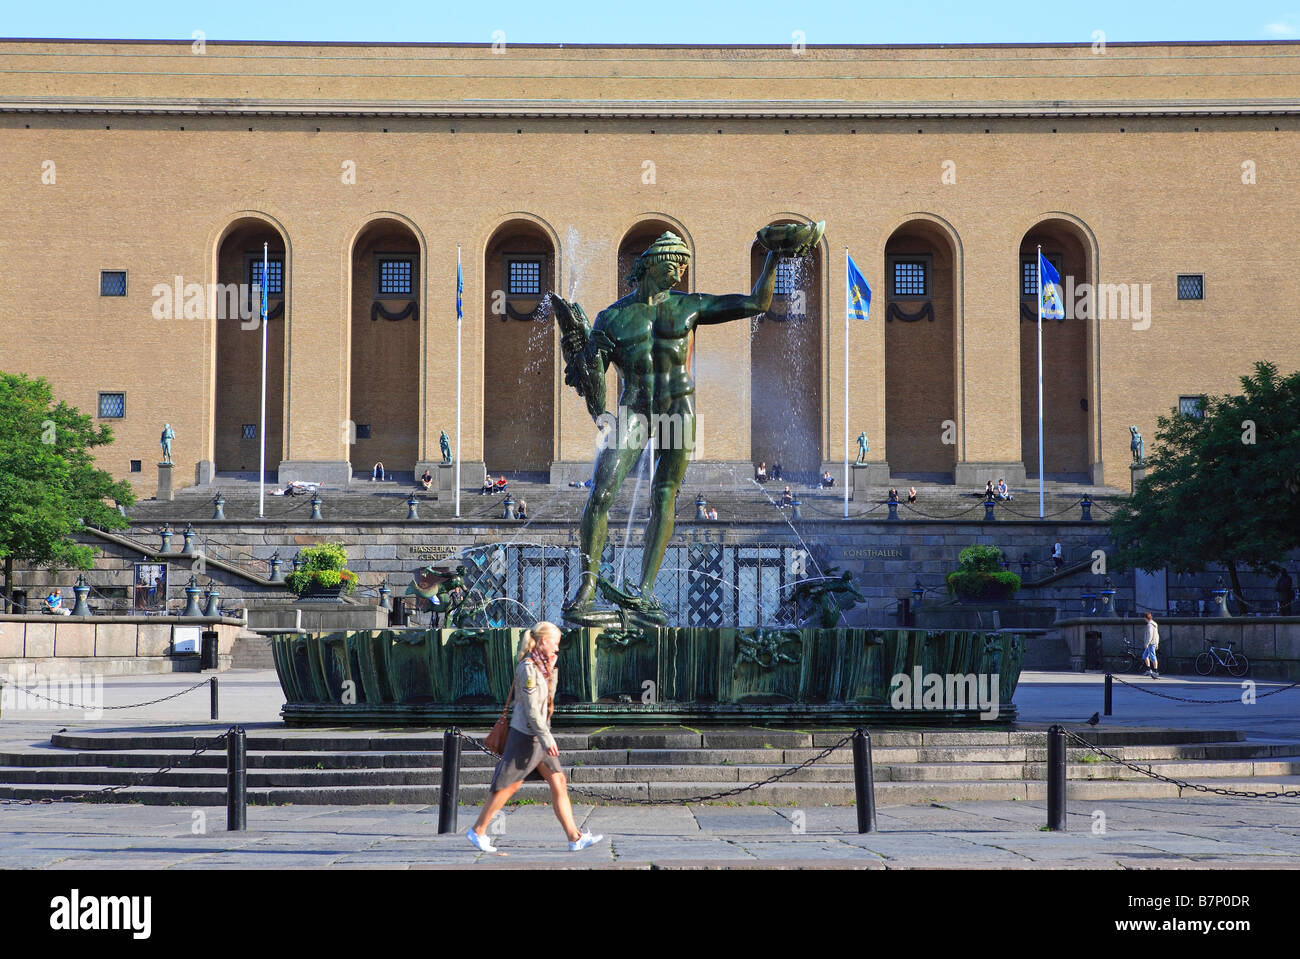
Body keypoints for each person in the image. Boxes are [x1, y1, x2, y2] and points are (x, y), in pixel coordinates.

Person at [467, 622, 604, 853]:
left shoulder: (543, 666)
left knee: (558, 781)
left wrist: (553, 670)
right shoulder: (528, 668)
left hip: (539, 736)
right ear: (543, 641)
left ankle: (574, 838)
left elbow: (547, 702)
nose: (557, 649)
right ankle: (478, 830)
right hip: (527, 737)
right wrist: (547, 739)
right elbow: (531, 711)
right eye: (555, 643)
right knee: (509, 785)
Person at [1141, 612, 1160, 678]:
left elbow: (1150, 635)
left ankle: (1156, 671)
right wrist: (1157, 643)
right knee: (1145, 656)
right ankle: (1149, 670)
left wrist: (1147, 643)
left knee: (1152, 656)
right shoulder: (1154, 624)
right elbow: (1157, 635)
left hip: (1151, 643)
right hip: (1154, 642)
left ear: (1146, 618)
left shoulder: (1149, 625)